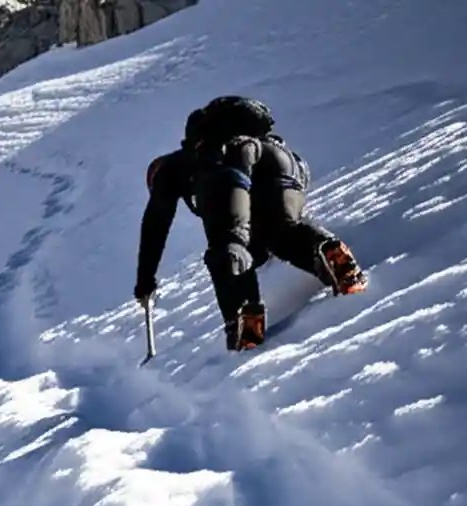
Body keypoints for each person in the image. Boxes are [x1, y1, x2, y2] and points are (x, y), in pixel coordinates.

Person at [133, 96, 367, 351]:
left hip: (230, 160)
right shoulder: (215, 147)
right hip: (282, 161)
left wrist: (145, 281)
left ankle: (243, 320)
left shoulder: (174, 168)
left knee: (228, 244)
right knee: (281, 232)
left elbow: (155, 226)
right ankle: (326, 251)